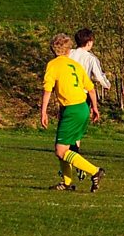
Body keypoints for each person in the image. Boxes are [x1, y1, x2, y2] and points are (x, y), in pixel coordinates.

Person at [39, 33, 104, 192]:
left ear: (53, 50)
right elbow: (90, 88)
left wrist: (43, 112)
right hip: (82, 107)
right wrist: (94, 108)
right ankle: (66, 183)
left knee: (61, 150)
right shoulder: (75, 65)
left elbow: (48, 90)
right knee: (63, 148)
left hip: (72, 109)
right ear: (69, 51)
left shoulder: (53, 65)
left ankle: (95, 171)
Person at [66, 29, 111, 160]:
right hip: (82, 95)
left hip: (67, 93)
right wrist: (107, 84)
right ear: (89, 42)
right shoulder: (91, 58)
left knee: (68, 127)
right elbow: (99, 76)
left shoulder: (69, 54)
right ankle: (74, 159)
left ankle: (70, 159)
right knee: (77, 130)